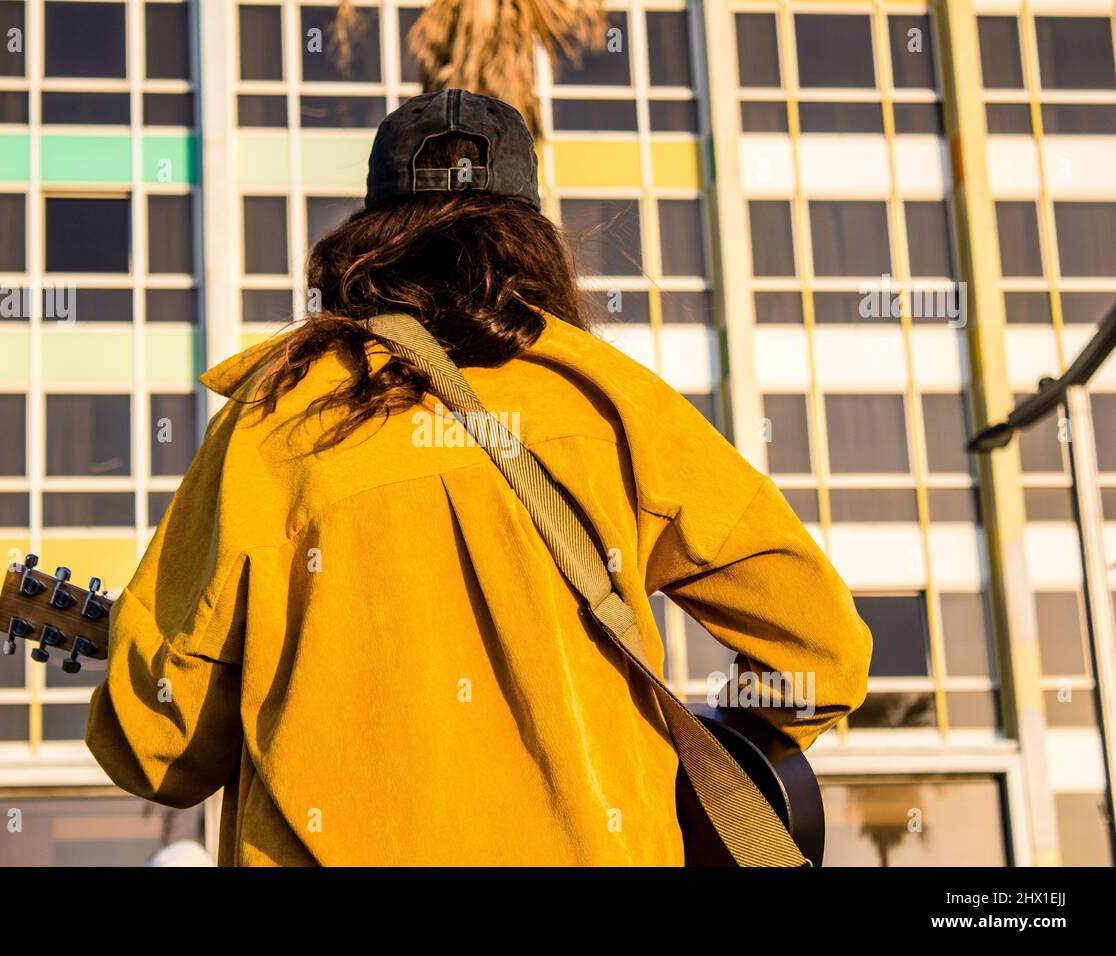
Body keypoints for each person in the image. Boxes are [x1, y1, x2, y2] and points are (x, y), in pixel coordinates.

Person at [86, 89, 872, 866]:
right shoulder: (614, 404)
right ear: (532, 242)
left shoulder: (278, 417)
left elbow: (158, 744)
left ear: (369, 240)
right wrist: (671, 773)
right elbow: (821, 653)